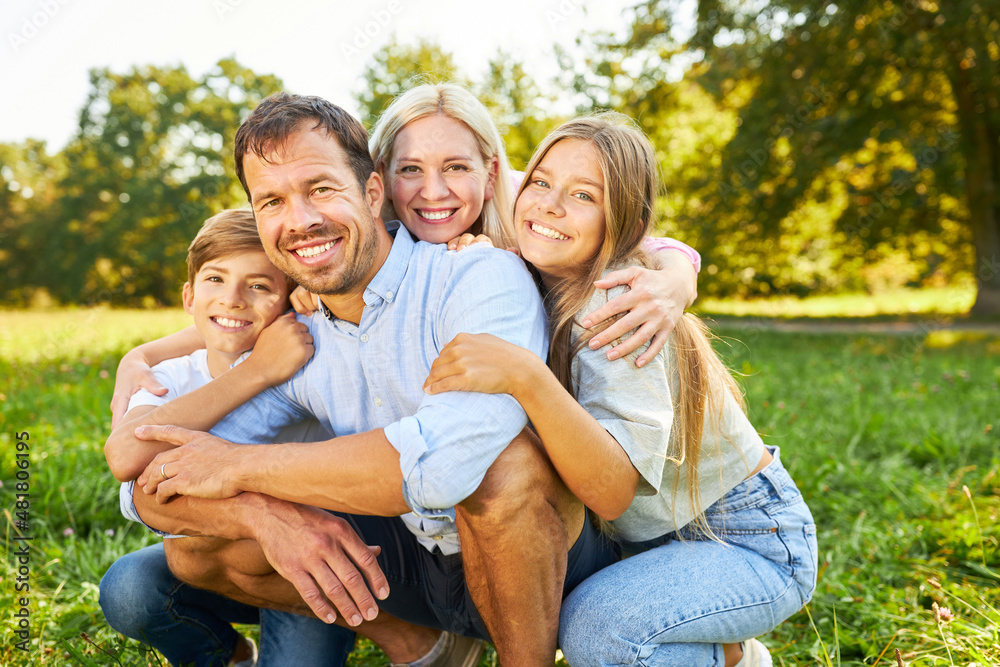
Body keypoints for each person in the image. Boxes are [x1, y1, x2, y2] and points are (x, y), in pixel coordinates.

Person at [122, 91, 624, 666]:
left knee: (504, 468)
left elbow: (446, 464)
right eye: (272, 201)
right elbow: (144, 482)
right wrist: (261, 513)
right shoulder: (296, 334)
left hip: (548, 559)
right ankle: (423, 645)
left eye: (320, 189)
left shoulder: (479, 272)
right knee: (198, 552)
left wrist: (235, 465)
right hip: (411, 556)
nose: (301, 220)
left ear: (370, 191)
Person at [421, 113, 818, 666]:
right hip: (644, 543)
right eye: (540, 181)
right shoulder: (527, 269)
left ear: (623, 220)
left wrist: (526, 377)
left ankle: (732, 659)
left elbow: (611, 493)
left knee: (599, 630)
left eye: (583, 195)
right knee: (543, 588)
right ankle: (721, 650)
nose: (550, 204)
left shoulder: (622, 305)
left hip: (746, 540)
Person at [99, 209, 377, 666]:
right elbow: (127, 459)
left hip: (309, 564)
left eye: (260, 285)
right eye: (215, 280)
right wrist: (257, 371)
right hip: (217, 562)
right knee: (129, 590)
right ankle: (228, 655)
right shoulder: (169, 377)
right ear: (189, 296)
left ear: (293, 298)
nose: (232, 300)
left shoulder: (312, 356)